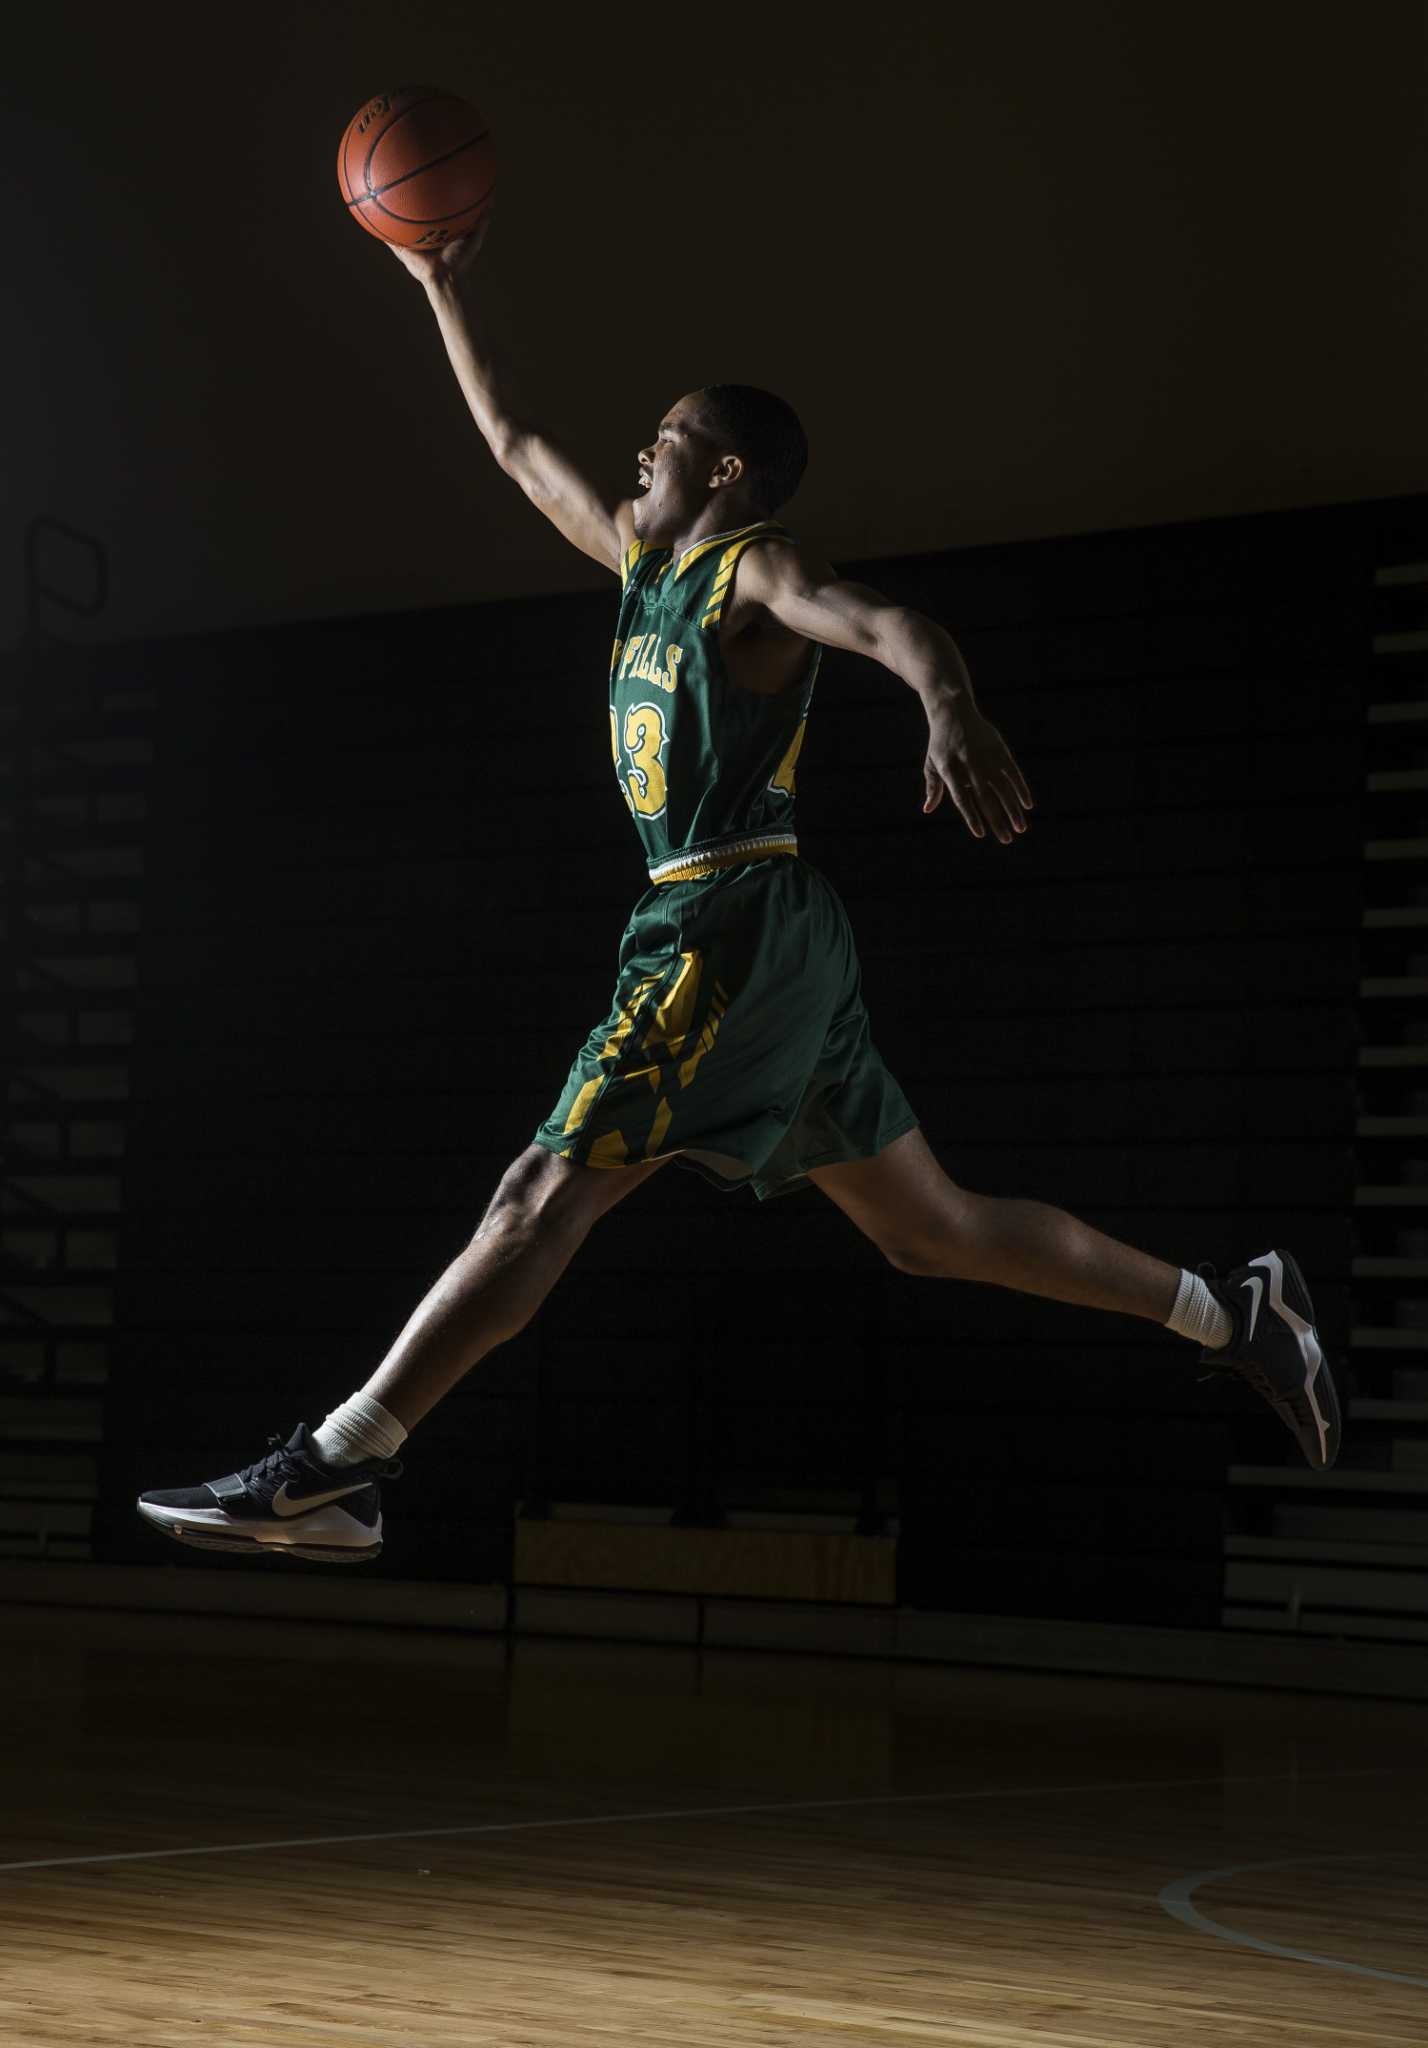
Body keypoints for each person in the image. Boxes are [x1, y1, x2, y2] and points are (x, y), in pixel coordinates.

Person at [137, 224, 1340, 1564]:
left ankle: (339, 1464)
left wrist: (947, 706)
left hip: (732, 922)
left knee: (544, 1189)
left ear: (726, 468)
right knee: (932, 1233)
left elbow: (885, 621)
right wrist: (440, 283)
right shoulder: (645, 574)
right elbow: (517, 444)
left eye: (667, 432)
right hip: (755, 929)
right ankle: (1229, 1313)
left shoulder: (750, 567)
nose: (640, 449)